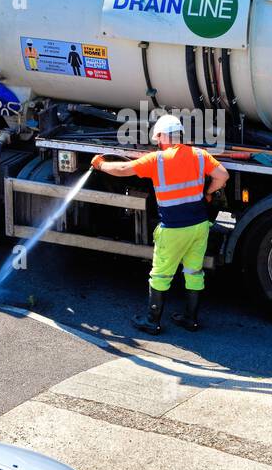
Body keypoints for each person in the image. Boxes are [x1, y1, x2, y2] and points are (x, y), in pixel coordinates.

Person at [91, 114, 228, 334]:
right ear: (180, 135)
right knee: (194, 272)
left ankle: (152, 321)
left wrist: (101, 165)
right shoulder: (200, 155)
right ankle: (190, 319)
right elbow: (222, 175)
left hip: (174, 228)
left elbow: (124, 170)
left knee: (161, 275)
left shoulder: (157, 160)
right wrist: (208, 194)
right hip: (200, 226)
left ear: (162, 136)